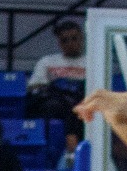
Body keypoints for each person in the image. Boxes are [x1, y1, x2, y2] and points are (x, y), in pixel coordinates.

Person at [25, 17, 87, 148]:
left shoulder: (92, 61)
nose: (70, 43)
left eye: (74, 38)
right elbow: (34, 87)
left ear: (81, 38)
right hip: (57, 103)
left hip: (81, 100)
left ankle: (72, 142)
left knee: (79, 104)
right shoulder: (47, 61)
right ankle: (71, 141)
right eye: (65, 40)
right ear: (59, 42)